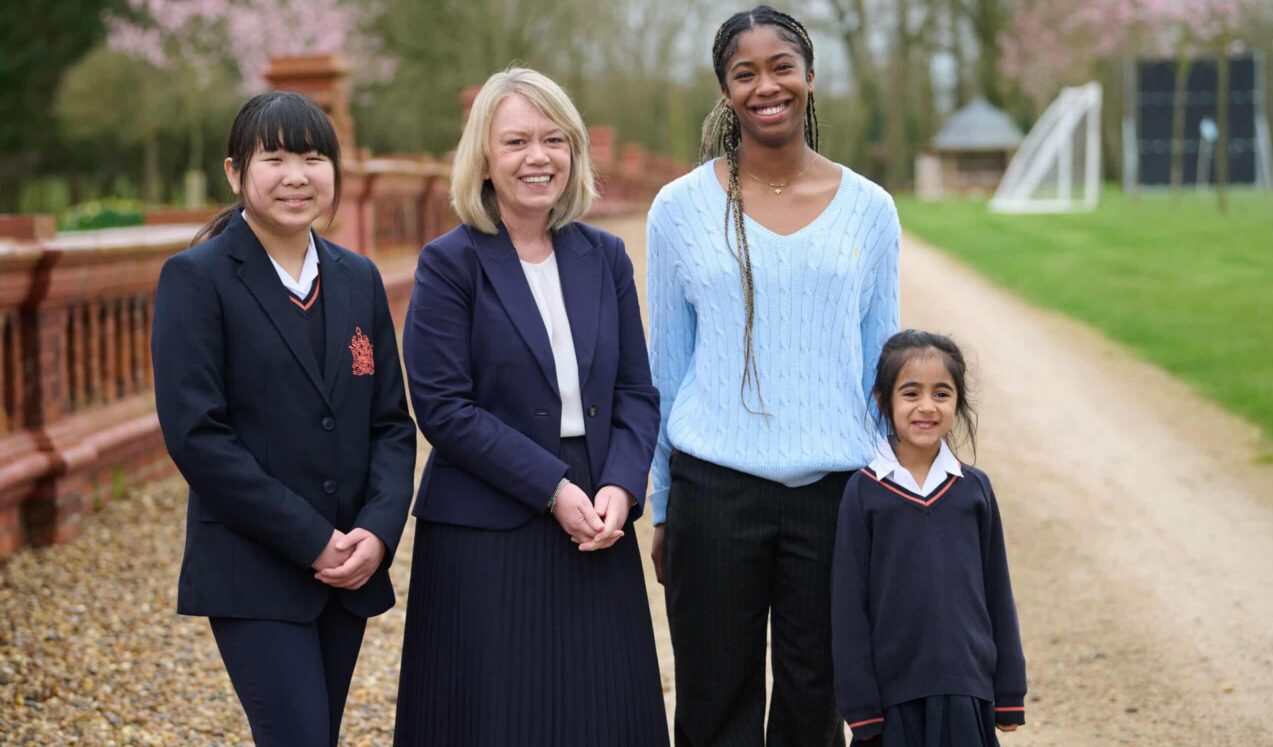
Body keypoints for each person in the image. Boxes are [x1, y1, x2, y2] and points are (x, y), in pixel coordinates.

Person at [646, 5, 901, 745]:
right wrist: (663, 504)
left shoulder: (870, 210)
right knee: (712, 701)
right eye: (745, 73)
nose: (767, 86)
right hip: (713, 492)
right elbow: (667, 367)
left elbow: (879, 365)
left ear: (810, 76)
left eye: (782, 66)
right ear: (726, 91)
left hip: (835, 495)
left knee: (815, 705)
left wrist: (890, 499)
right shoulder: (679, 209)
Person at [393, 67, 668, 747]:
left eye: (554, 139)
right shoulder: (449, 264)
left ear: (574, 152)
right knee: (498, 719)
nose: (537, 157)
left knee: (600, 712)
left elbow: (636, 391)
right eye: (516, 141)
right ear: (484, 159)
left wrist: (621, 486)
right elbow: (443, 407)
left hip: (597, 515)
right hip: (487, 523)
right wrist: (553, 489)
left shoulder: (605, 256)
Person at [151, 91, 417, 747]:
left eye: (312, 157)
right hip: (253, 566)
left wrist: (378, 531)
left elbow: (391, 422)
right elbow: (198, 436)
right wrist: (312, 538)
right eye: (274, 158)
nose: (297, 175)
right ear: (234, 172)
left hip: (349, 567)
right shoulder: (197, 279)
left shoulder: (357, 278)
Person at [832, 330, 1027, 745]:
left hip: (966, 691)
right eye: (911, 393)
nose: (926, 406)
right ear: (883, 400)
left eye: (941, 393)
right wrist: (860, 705)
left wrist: (1009, 691)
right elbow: (848, 604)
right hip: (893, 699)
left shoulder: (974, 489)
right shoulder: (864, 491)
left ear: (958, 402)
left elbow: (997, 590)